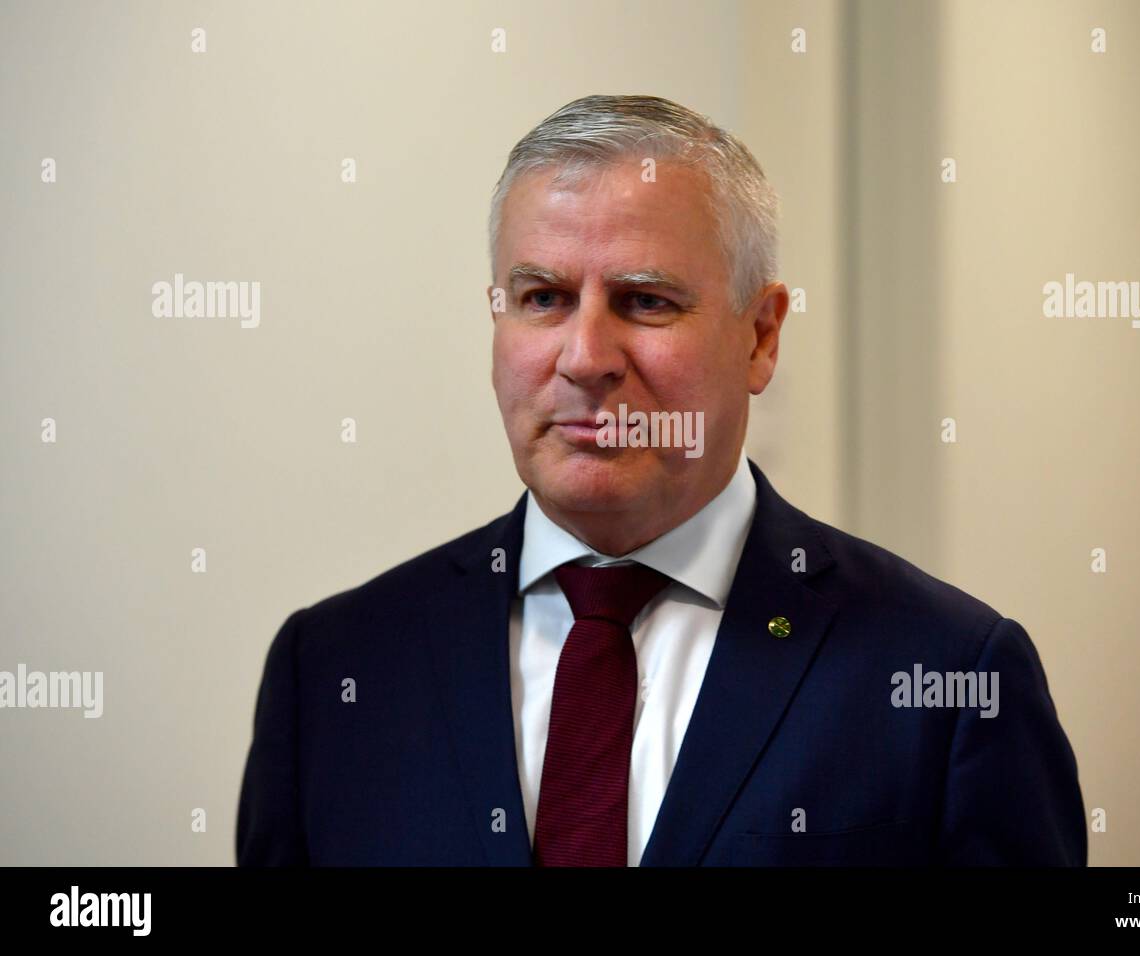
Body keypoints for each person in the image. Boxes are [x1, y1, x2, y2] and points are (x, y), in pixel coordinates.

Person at [236, 94, 1086, 866]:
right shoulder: (336, 668)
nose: (585, 358)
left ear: (760, 337)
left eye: (645, 301)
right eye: (542, 298)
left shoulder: (950, 675)